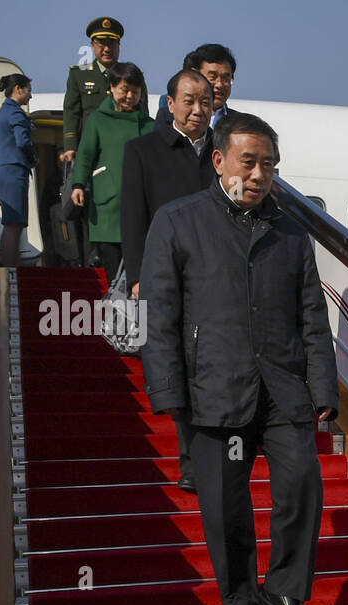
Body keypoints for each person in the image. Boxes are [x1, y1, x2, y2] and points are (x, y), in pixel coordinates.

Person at [140, 113, 339, 605]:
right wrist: (169, 390)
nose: (257, 174)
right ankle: (239, 596)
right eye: (247, 162)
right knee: (225, 502)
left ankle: (286, 589)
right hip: (215, 388)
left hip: (282, 390)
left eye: (268, 165)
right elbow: (159, 315)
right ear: (219, 160)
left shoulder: (292, 234)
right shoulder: (179, 221)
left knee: (301, 484)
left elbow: (312, 316)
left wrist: (323, 388)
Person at [121, 69, 215, 493]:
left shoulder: (224, 151)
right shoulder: (142, 151)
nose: (198, 110)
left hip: (218, 278)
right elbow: (133, 218)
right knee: (179, 365)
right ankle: (192, 462)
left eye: (206, 102)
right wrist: (139, 276)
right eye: (189, 101)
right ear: (170, 104)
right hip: (168, 278)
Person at [70, 62, 153, 282]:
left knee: (139, 273)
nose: (129, 96)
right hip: (109, 205)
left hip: (141, 206)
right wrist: (78, 185)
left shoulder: (149, 126)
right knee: (113, 273)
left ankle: (138, 315)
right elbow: (85, 154)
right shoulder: (98, 120)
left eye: (135, 92)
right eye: (124, 90)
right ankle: (115, 312)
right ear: (112, 88)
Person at [60, 16, 147, 166]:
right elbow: (71, 112)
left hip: (124, 147)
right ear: (92, 45)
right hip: (90, 148)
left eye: (112, 43)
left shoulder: (133, 76)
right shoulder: (78, 74)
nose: (107, 49)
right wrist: (70, 145)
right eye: (101, 43)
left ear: (119, 46)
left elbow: (143, 113)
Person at [0, 73, 34, 266]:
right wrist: (33, 158)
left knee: (10, 223)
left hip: (3, 168)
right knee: (14, 224)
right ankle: (11, 269)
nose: (30, 96)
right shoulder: (15, 112)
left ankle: (10, 267)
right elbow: (23, 141)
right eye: (29, 91)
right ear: (18, 89)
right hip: (14, 170)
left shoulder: (1, 113)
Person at [155, 44, 239, 130]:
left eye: (226, 79)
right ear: (195, 75)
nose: (219, 85)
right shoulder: (168, 116)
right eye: (212, 77)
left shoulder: (239, 123)